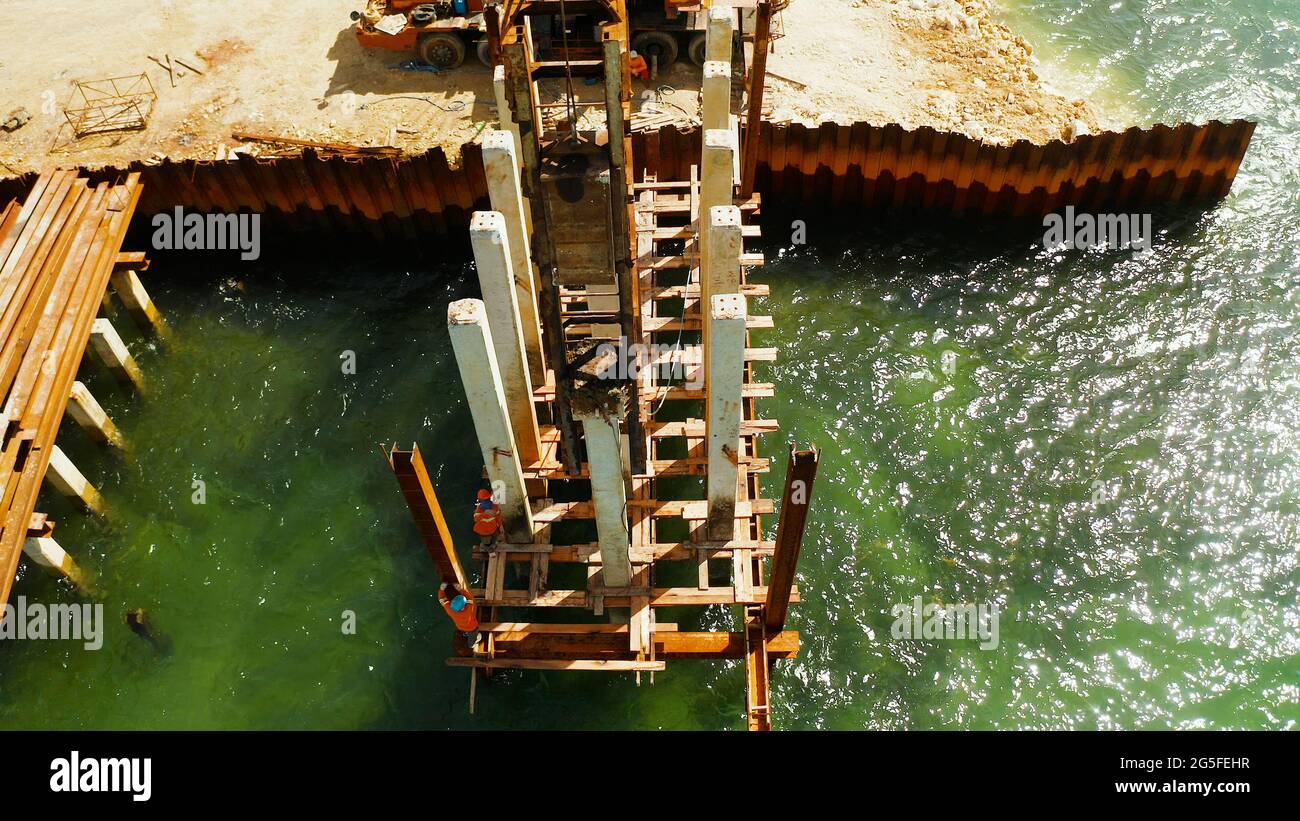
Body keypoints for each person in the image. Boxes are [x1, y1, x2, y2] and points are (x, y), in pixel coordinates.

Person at [438, 582, 481, 648]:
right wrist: (460, 589)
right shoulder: (468, 609)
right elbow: (470, 599)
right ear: (463, 607)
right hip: (473, 628)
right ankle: (472, 644)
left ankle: (467, 633)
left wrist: (441, 590)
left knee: (467, 631)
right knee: (473, 636)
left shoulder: (450, 610)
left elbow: (441, 600)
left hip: (460, 627)